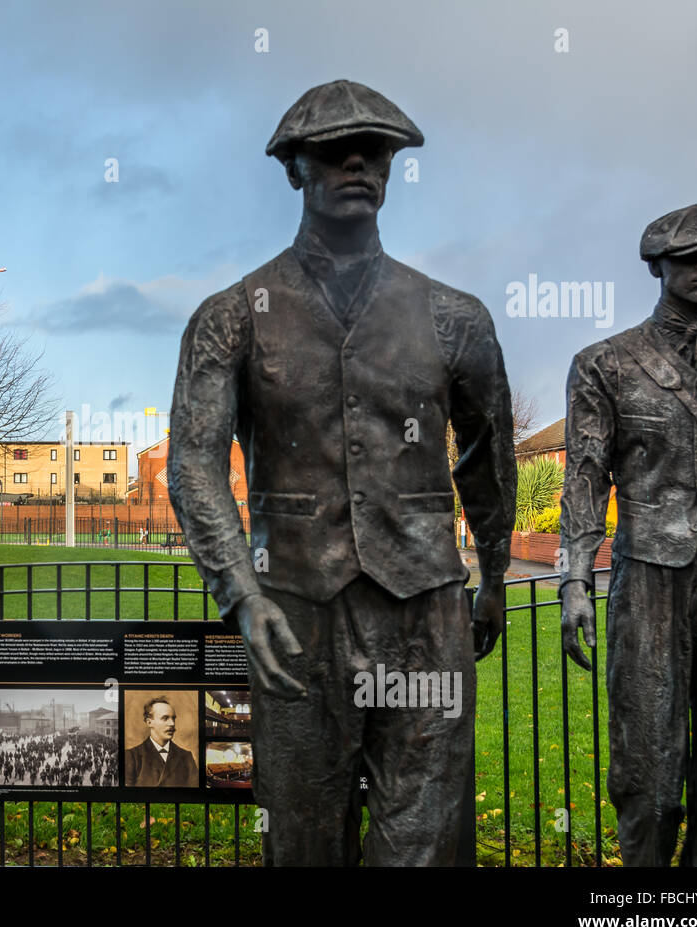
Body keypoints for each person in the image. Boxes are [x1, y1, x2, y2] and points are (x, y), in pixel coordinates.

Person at [167, 80, 515, 865]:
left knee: (422, 836)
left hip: (426, 616)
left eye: (377, 151)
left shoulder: (455, 316)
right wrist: (241, 593)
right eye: (333, 151)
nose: (357, 163)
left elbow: (488, 456)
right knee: (302, 838)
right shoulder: (231, 316)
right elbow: (192, 463)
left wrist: (492, 574)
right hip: (296, 617)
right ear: (295, 168)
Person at [560, 203, 697, 866]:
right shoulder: (606, 365)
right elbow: (585, 479)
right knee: (646, 765)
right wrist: (573, 581)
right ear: (657, 266)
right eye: (690, 257)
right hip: (649, 577)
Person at [124, 697, 199, 787]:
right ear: (149, 722)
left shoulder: (186, 757)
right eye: (165, 718)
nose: (172, 723)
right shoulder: (132, 756)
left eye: (173, 718)